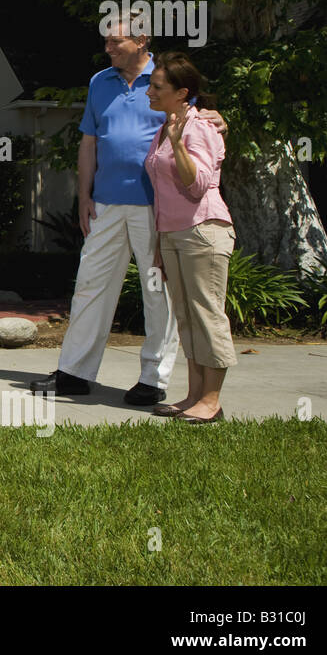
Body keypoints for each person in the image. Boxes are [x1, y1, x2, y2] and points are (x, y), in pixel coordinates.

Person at [31, 15, 226, 405]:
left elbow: (204, 120)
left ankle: (153, 379)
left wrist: (220, 120)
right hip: (105, 201)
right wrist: (83, 195)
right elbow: (89, 142)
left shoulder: (165, 79)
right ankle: (75, 371)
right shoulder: (99, 82)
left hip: (156, 205)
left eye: (116, 41)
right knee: (90, 285)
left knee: (158, 293)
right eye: (106, 41)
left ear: (142, 40)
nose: (108, 48)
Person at [144, 53, 236, 423]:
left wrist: (178, 144)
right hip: (174, 234)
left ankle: (211, 401)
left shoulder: (200, 128)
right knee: (186, 317)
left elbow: (196, 186)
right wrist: (160, 245)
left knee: (207, 315)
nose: (149, 92)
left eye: (156, 87)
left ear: (182, 93)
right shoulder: (165, 127)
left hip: (203, 230)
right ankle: (194, 395)